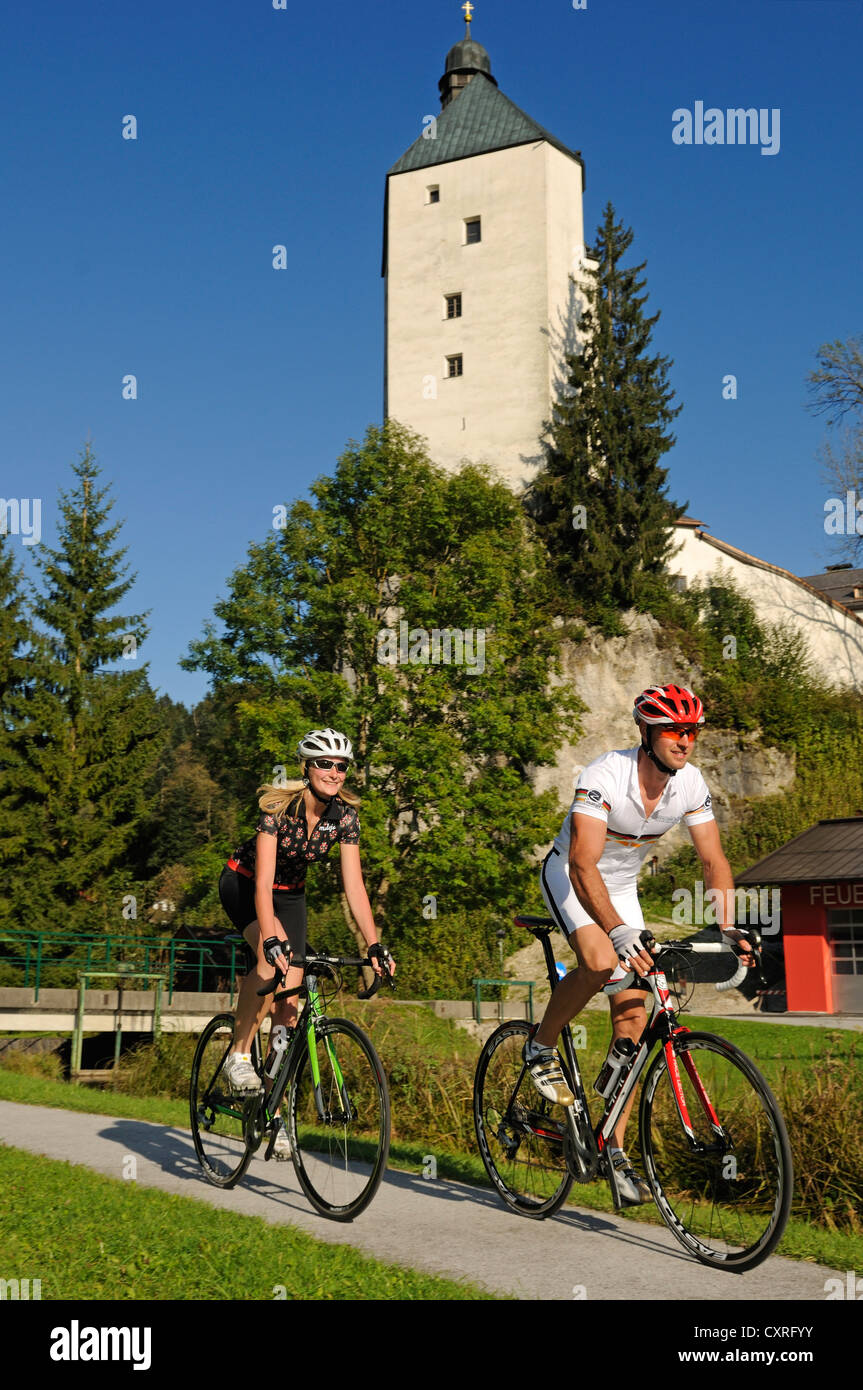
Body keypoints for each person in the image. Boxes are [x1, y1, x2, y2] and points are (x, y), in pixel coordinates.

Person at [523, 683, 751, 1204]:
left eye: (691, 731)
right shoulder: (606, 775)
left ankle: (614, 1149)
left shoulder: (689, 784)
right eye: (673, 729)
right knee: (602, 961)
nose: (684, 740)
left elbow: (713, 861)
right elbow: (582, 863)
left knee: (632, 1019)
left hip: (622, 889)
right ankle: (541, 1045)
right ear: (645, 732)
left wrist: (730, 927)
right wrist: (618, 931)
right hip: (572, 876)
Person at [217, 728, 394, 1157]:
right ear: (306, 767)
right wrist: (272, 939)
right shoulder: (278, 809)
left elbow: (354, 885)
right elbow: (261, 884)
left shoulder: (345, 817)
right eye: (324, 764)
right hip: (245, 885)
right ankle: (238, 1056)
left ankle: (275, 1114)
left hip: (292, 894)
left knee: (289, 1009)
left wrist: (374, 945)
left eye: (341, 766)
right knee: (268, 953)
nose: (334, 772)